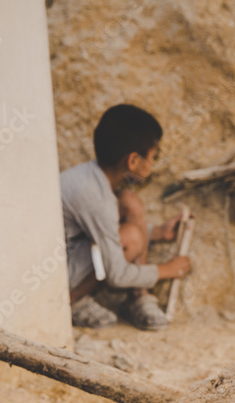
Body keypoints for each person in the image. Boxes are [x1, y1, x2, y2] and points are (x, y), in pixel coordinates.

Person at [60, 104, 191, 331]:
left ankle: (139, 297)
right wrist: (168, 269)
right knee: (131, 237)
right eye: (152, 156)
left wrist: (157, 233)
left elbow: (104, 231)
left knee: (130, 201)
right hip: (52, 277)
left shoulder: (91, 178)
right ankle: (68, 301)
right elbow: (117, 275)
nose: (152, 163)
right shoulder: (95, 197)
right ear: (132, 161)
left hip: (66, 257)